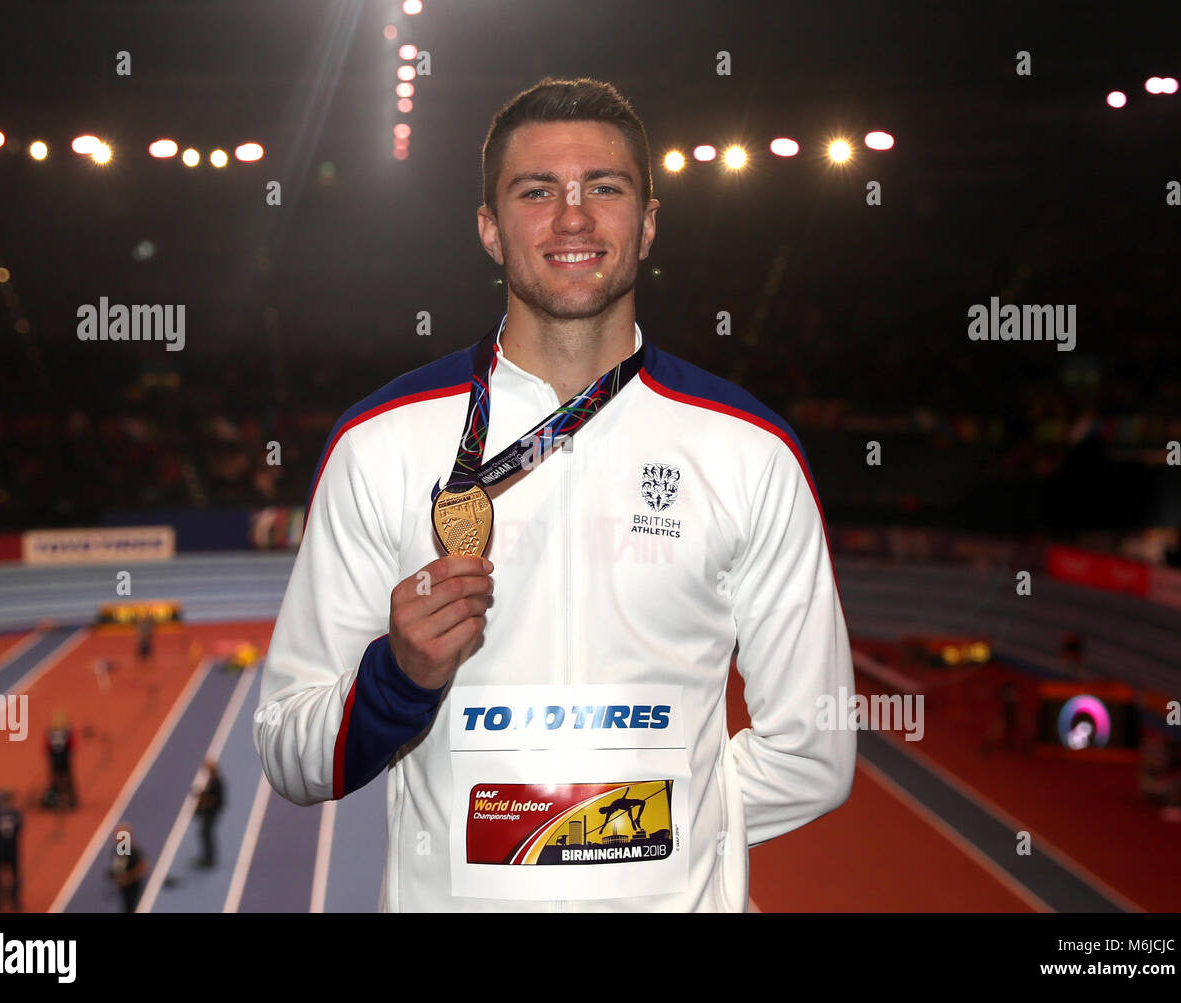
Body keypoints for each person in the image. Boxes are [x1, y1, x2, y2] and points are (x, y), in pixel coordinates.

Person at [253, 77, 855, 912]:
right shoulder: (380, 441)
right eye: (537, 192)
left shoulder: (750, 450)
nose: (573, 218)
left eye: (604, 188)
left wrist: (634, 829)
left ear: (648, 223)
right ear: (490, 230)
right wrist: (397, 678)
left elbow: (812, 752)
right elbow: (289, 749)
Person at [0, 790, 22, 910]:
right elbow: (19, 829)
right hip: (12, 849)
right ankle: (15, 900)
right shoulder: (15, 814)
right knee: (14, 875)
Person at [109, 823, 149, 912]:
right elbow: (119, 871)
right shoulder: (121, 851)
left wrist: (127, 878)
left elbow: (143, 867)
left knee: (131, 907)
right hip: (127, 887)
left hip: (132, 887)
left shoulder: (131, 852)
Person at [192, 758, 225, 867]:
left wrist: (202, 800)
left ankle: (209, 860)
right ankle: (207, 858)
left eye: (208, 769)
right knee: (205, 835)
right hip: (210, 812)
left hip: (211, 813)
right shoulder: (213, 780)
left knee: (206, 835)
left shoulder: (216, 782)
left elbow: (213, 799)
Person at [45, 710, 77, 809]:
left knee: (61, 778)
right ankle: (65, 798)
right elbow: (72, 746)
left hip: (58, 759)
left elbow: (47, 747)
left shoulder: (52, 732)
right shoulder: (65, 732)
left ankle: (63, 798)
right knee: (62, 778)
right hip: (61, 759)